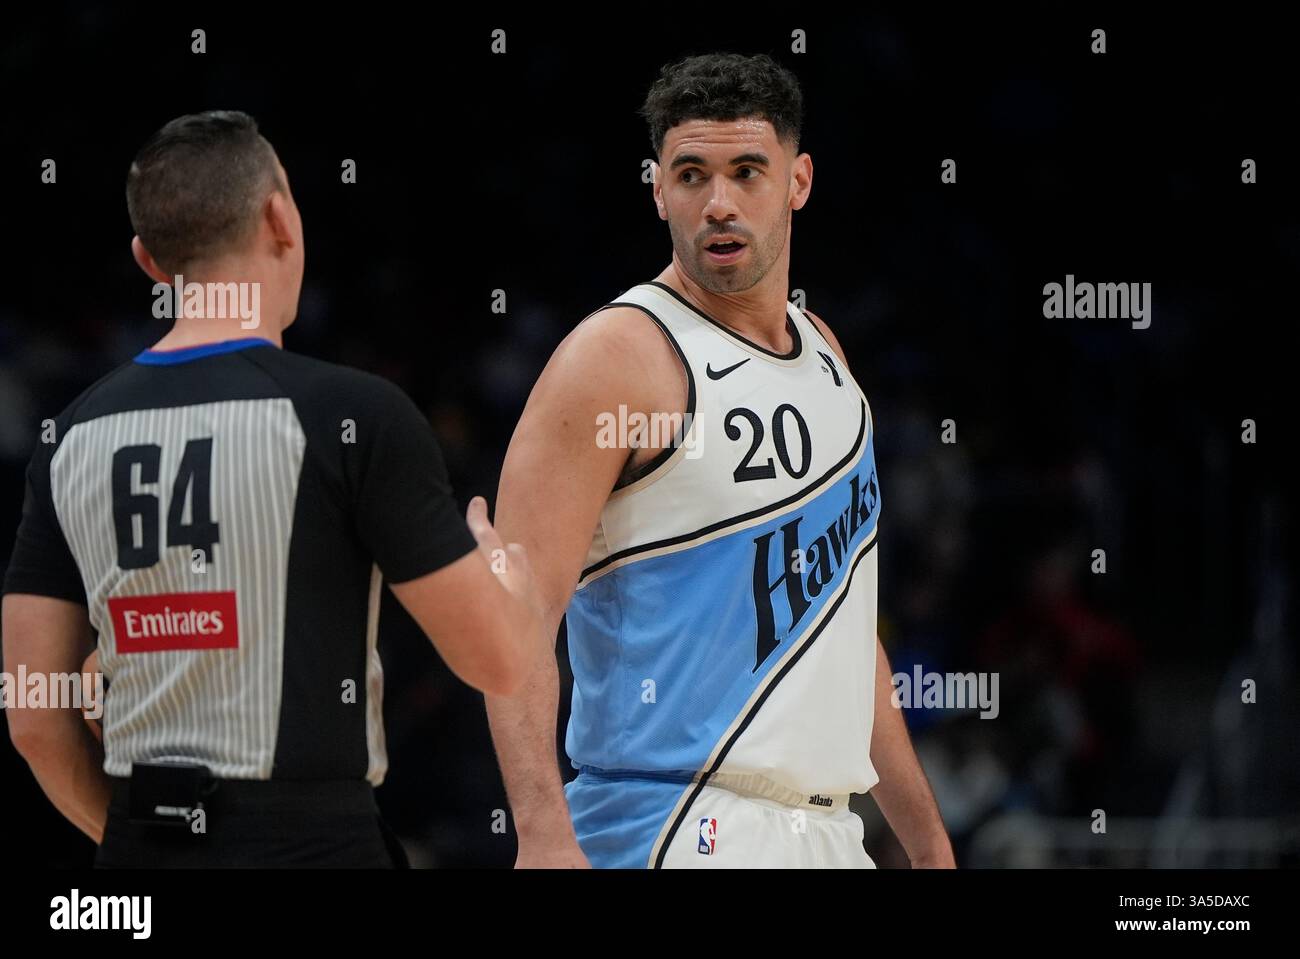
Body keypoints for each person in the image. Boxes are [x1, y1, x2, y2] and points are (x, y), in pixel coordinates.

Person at [2, 110, 542, 867]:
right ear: (280, 218)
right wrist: (507, 582)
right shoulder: (354, 413)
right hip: (316, 845)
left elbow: (33, 718)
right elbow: (498, 662)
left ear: (150, 261)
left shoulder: (68, 438)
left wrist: (141, 844)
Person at [485, 54, 955, 867]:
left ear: (799, 181)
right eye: (691, 174)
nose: (719, 203)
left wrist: (928, 842)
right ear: (659, 189)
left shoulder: (829, 360)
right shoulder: (617, 356)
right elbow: (517, 616)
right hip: (671, 823)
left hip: (830, 829)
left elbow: (841, 632)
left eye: (747, 171)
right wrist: (540, 832)